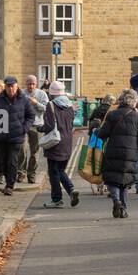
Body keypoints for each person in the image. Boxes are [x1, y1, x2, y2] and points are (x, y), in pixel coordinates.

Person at [99, 90, 138, 218]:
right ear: (134, 101)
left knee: (113, 180)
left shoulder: (112, 114)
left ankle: (116, 201)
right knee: (125, 182)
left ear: (121, 100)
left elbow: (102, 134)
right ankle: (124, 209)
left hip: (113, 150)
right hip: (130, 152)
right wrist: (135, 146)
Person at [0, 76, 35, 196]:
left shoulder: (23, 100)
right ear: (5, 87)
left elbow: (31, 116)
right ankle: (8, 181)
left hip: (16, 136)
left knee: (12, 161)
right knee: (3, 161)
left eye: (12, 86)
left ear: (17, 86)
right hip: (1, 136)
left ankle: (10, 185)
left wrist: (24, 128)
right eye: (8, 86)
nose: (10, 89)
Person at [40, 80, 80, 209]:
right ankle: (70, 190)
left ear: (52, 94)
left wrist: (40, 128)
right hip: (67, 142)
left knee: (53, 172)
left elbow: (49, 126)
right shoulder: (70, 105)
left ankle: (57, 199)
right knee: (60, 170)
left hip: (55, 142)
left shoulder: (51, 105)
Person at [23, 75, 50, 186]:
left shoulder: (41, 94)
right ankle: (21, 172)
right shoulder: (21, 93)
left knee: (34, 152)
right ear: (26, 84)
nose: (31, 86)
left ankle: (31, 174)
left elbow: (47, 108)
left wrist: (36, 103)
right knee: (21, 149)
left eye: (33, 84)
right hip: (24, 124)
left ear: (36, 84)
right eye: (29, 84)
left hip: (37, 125)